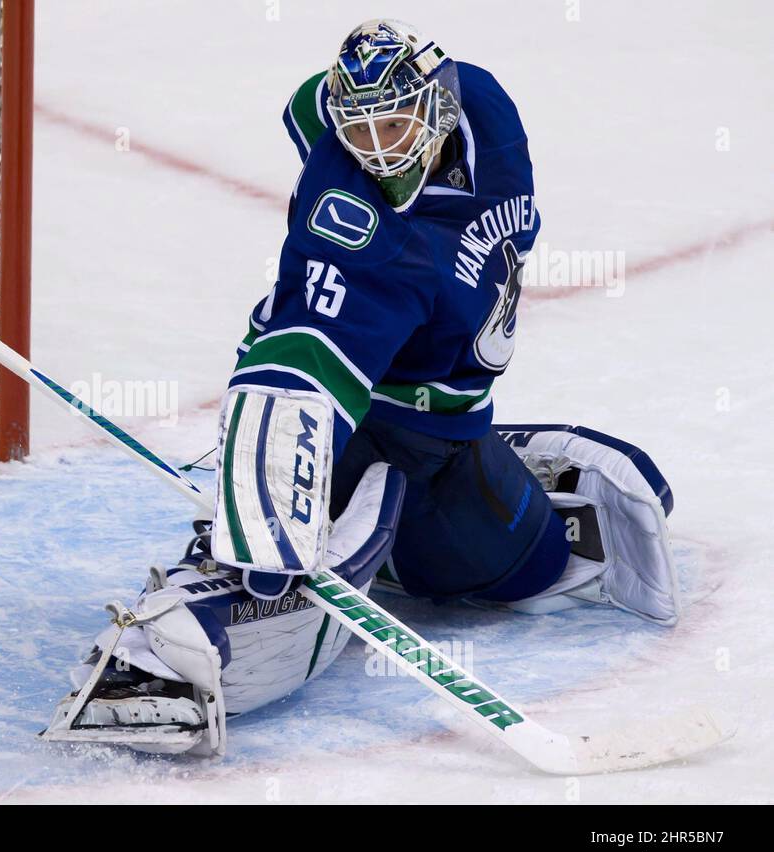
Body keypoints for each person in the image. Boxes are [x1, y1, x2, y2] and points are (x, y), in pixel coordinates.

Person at [42, 19, 678, 757]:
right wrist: (266, 508)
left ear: (439, 106)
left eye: (395, 121)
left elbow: (306, 105)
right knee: (271, 553)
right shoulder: (360, 234)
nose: (379, 149)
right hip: (365, 412)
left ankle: (505, 467)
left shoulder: (486, 109)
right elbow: (306, 362)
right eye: (361, 131)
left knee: (527, 569)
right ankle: (197, 610)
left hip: (450, 417)